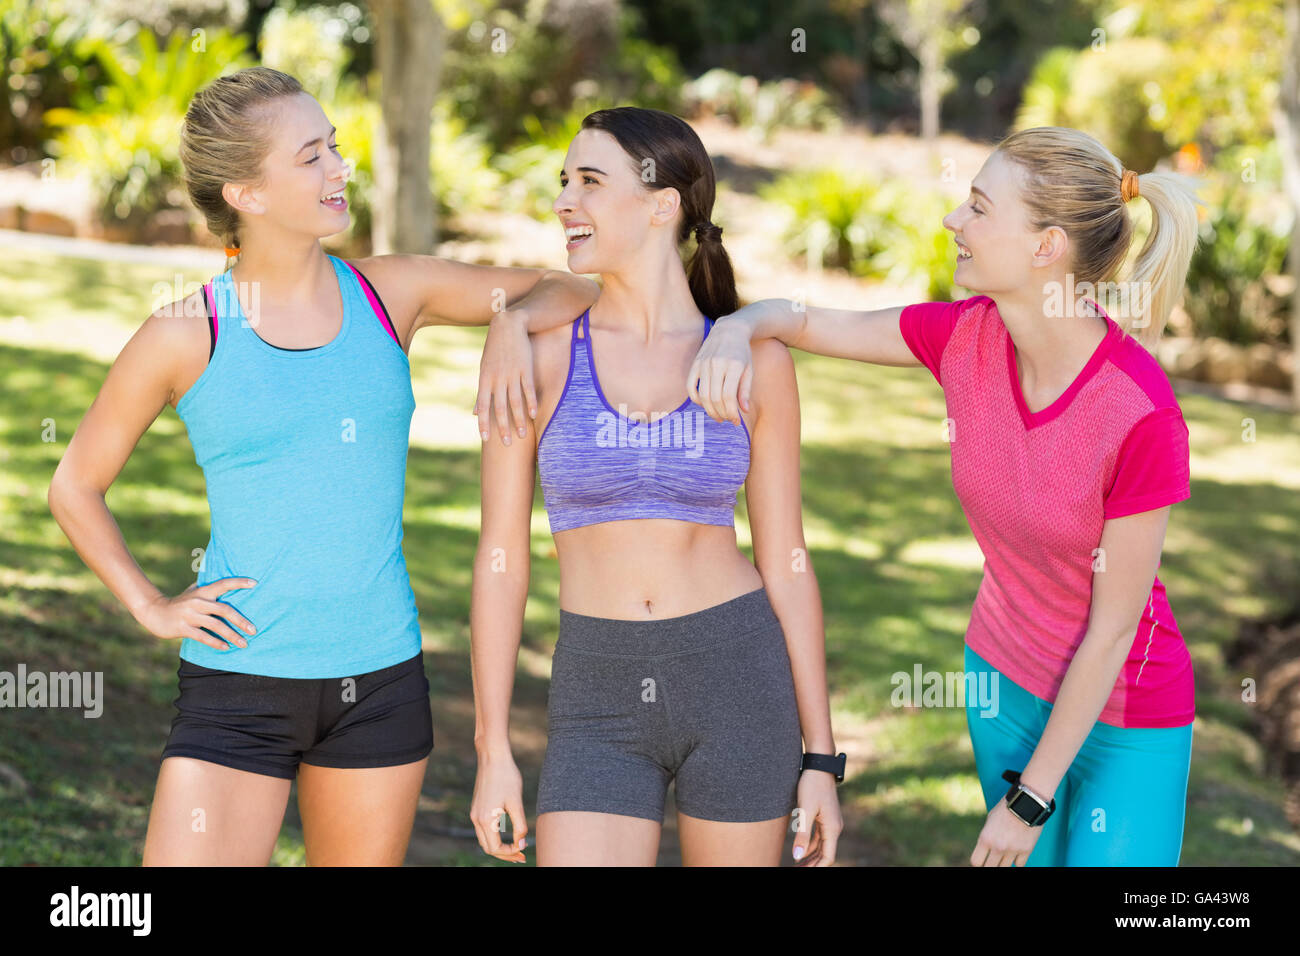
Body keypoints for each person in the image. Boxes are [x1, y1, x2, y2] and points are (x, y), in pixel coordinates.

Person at [46, 66, 597, 866]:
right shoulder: (184, 333)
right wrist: (150, 604)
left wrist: (512, 324)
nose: (340, 168)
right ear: (246, 192)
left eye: (333, 148)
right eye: (311, 156)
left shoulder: (390, 291)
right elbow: (75, 486)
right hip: (237, 684)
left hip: (378, 682)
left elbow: (569, 285)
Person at [689, 126, 1200, 866]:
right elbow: (806, 320)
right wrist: (737, 328)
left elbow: (1113, 632)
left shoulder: (1141, 414)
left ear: (1045, 247)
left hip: (1128, 715)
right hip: (1004, 684)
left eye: (979, 208)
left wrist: (1029, 801)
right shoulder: (966, 337)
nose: (952, 221)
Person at [469, 106, 843, 866]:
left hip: (737, 675)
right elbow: (500, 559)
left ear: (661, 204)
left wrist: (822, 760)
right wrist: (492, 749)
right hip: (595, 693)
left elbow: (788, 561)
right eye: (563, 182)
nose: (563, 201)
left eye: (589, 182)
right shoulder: (537, 356)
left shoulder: (753, 362)